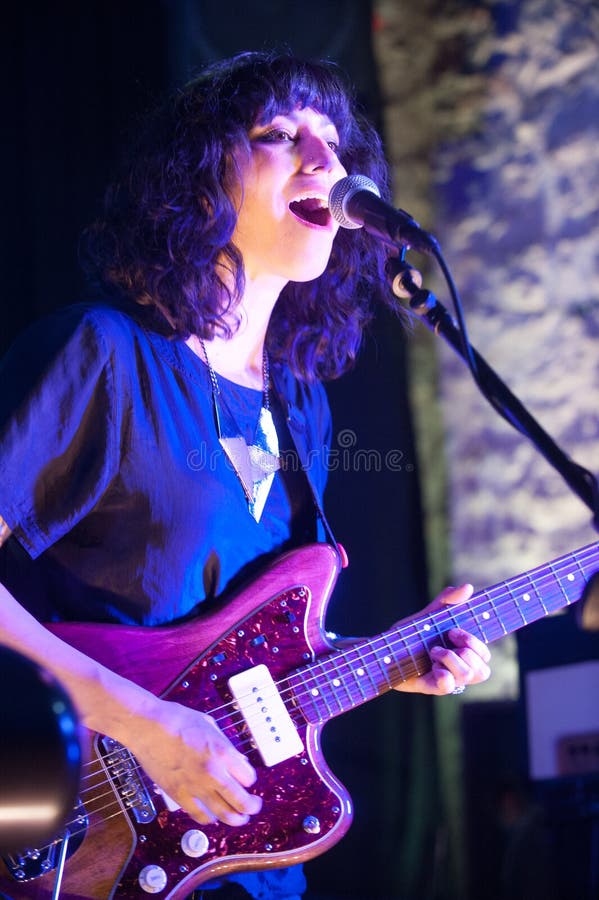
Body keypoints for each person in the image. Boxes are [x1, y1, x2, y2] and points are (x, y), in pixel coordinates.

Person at [0, 52, 491, 899]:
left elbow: (236, 659)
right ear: (195, 183)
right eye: (278, 135)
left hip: (235, 859)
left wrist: (384, 661)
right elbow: (164, 689)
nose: (324, 163)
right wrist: (146, 725)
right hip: (73, 839)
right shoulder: (103, 355)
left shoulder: (301, 408)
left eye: (334, 144)